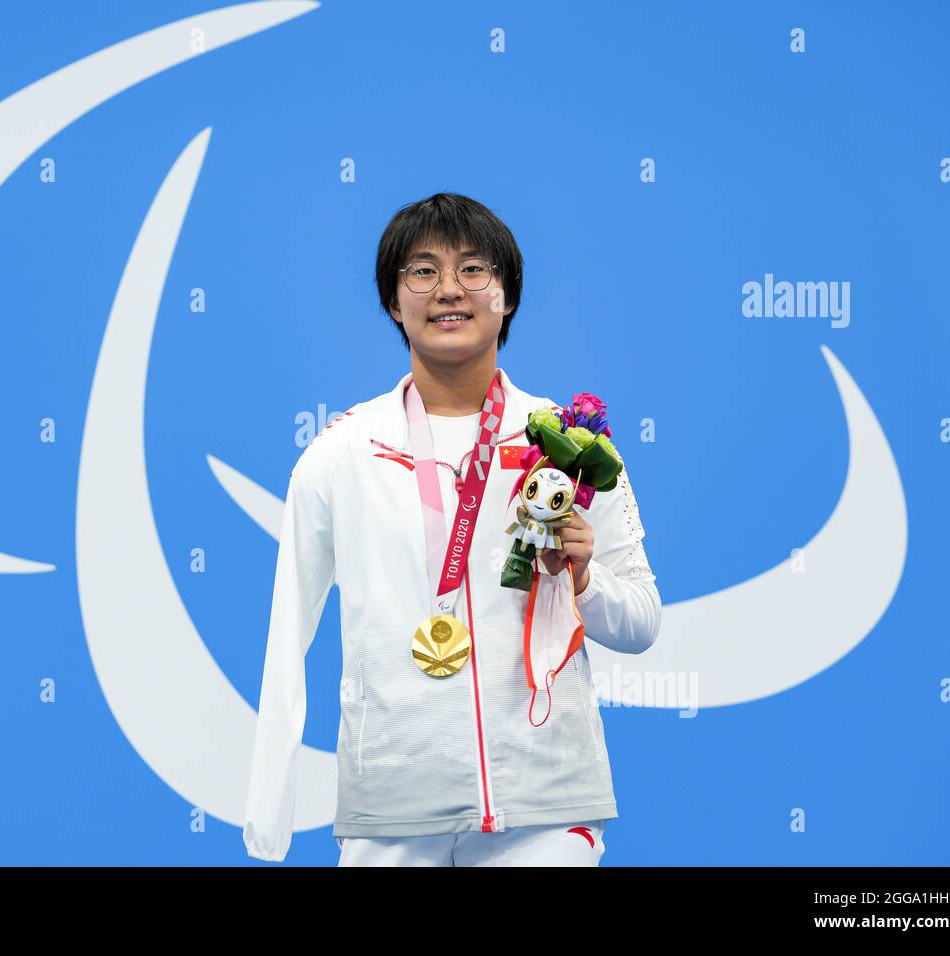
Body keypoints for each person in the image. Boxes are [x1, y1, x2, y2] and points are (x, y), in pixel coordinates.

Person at [243, 193, 661, 866]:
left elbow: (641, 623)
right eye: (422, 271)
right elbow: (286, 629)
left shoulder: (571, 447)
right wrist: (270, 811)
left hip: (544, 805)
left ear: (508, 296)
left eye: (473, 270)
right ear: (392, 301)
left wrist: (586, 579)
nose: (448, 291)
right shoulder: (342, 452)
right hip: (391, 809)